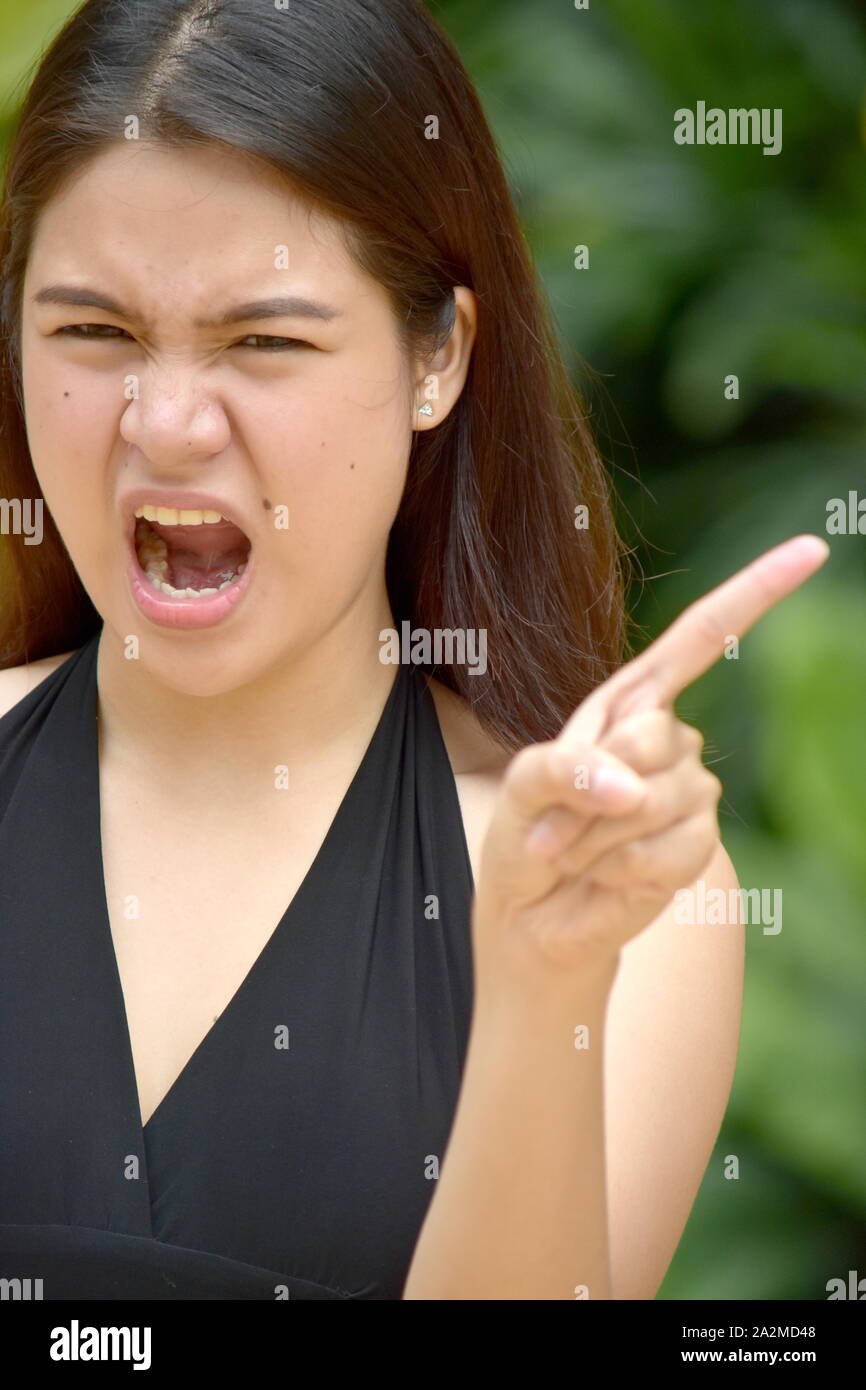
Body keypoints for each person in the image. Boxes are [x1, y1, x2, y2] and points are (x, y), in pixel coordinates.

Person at [0, 0, 828, 1300]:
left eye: (262, 340)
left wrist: (541, 980)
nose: (163, 424)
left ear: (436, 353)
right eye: (93, 334)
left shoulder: (629, 898)